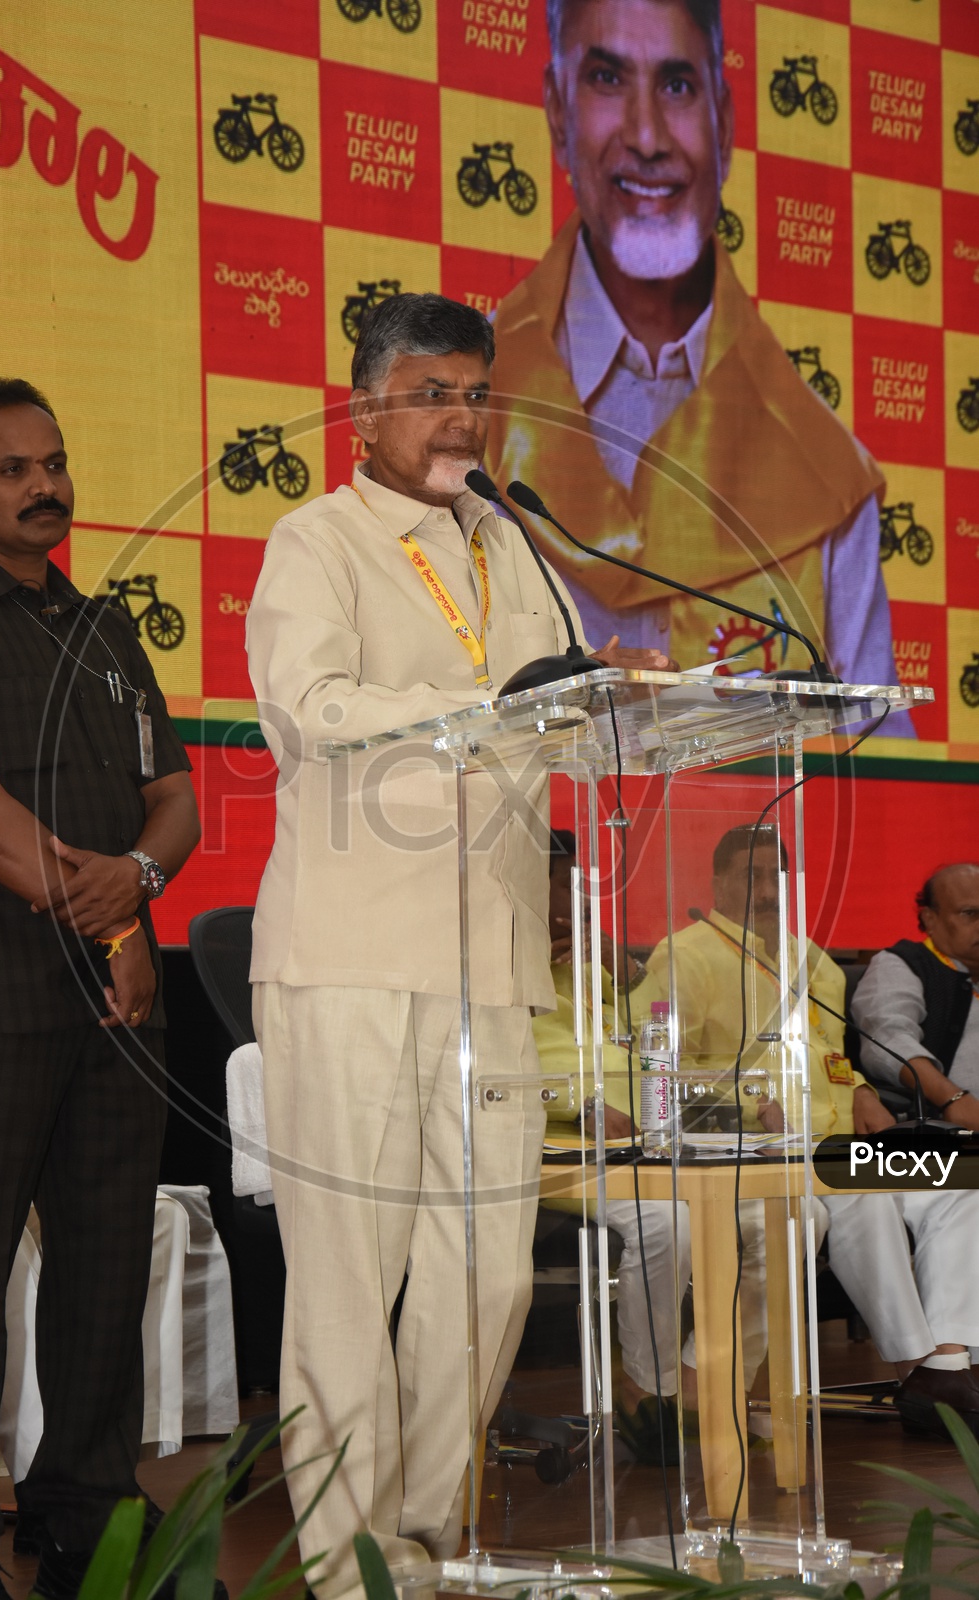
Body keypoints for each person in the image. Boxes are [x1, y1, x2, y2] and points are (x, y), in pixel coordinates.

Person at [244, 293, 670, 1600]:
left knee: (484, 1279)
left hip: (490, 965)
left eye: (474, 392)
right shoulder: (313, 541)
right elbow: (312, 710)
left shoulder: (512, 545)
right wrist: (487, 710)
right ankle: (341, 1563)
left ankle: (420, 1545)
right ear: (365, 405)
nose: (459, 416)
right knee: (343, 1287)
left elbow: (550, 724)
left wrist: (609, 719)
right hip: (348, 958)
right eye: (430, 391)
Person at [0, 380, 201, 1600]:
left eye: (56, 462)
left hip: (113, 1006)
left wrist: (134, 893)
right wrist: (104, 909)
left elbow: (174, 799)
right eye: (13, 468)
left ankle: (83, 1505)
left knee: (101, 1266)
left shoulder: (109, 627)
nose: (45, 485)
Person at [485, 0, 905, 710]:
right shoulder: (477, 420)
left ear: (725, 123)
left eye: (677, 85)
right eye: (607, 79)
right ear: (557, 111)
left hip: (756, 825)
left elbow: (868, 749)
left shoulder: (820, 472)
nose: (647, 136)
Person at [641, 825, 979, 1437]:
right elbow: (660, 1066)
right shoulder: (686, 954)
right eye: (750, 876)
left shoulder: (810, 958)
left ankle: (949, 1360)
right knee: (859, 1208)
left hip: (839, 1144)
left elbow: (830, 1054)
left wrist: (863, 1090)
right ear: (717, 883)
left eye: (774, 876)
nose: (765, 891)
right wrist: (755, 1099)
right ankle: (918, 1372)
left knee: (958, 1183)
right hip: (762, 1152)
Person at [535, 829, 768, 1460]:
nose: (580, 897)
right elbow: (477, 1071)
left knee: (786, 1214)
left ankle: (703, 1378)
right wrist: (577, 1104)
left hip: (655, 1139)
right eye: (566, 884)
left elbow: (661, 1043)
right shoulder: (488, 965)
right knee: (667, 1224)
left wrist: (629, 971)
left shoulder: (594, 964)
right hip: (552, 1151)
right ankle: (648, 1388)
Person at [852, 864, 979, 1126]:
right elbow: (888, 1040)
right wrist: (952, 1099)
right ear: (930, 919)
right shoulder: (902, 964)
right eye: (970, 913)